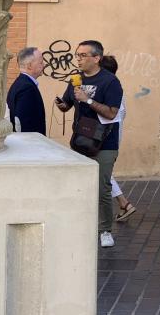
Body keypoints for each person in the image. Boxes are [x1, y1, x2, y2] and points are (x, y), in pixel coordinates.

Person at [54, 40, 124, 249]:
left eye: (83, 55)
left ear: (97, 58)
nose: (79, 59)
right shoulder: (76, 79)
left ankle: (105, 230)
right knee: (81, 185)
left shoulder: (110, 81)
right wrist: (62, 104)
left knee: (102, 187)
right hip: (81, 139)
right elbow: (68, 105)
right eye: (77, 55)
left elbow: (112, 112)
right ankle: (82, 224)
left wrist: (88, 100)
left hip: (104, 142)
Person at [98, 55, 135, 222]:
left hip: (103, 134)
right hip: (115, 132)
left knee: (102, 171)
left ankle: (123, 203)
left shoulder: (108, 86)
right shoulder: (116, 85)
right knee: (103, 171)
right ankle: (122, 203)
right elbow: (124, 112)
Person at [7, 46, 47, 135]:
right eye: (41, 62)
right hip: (31, 144)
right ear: (29, 66)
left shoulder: (20, 83)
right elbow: (22, 124)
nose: (44, 65)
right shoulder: (27, 88)